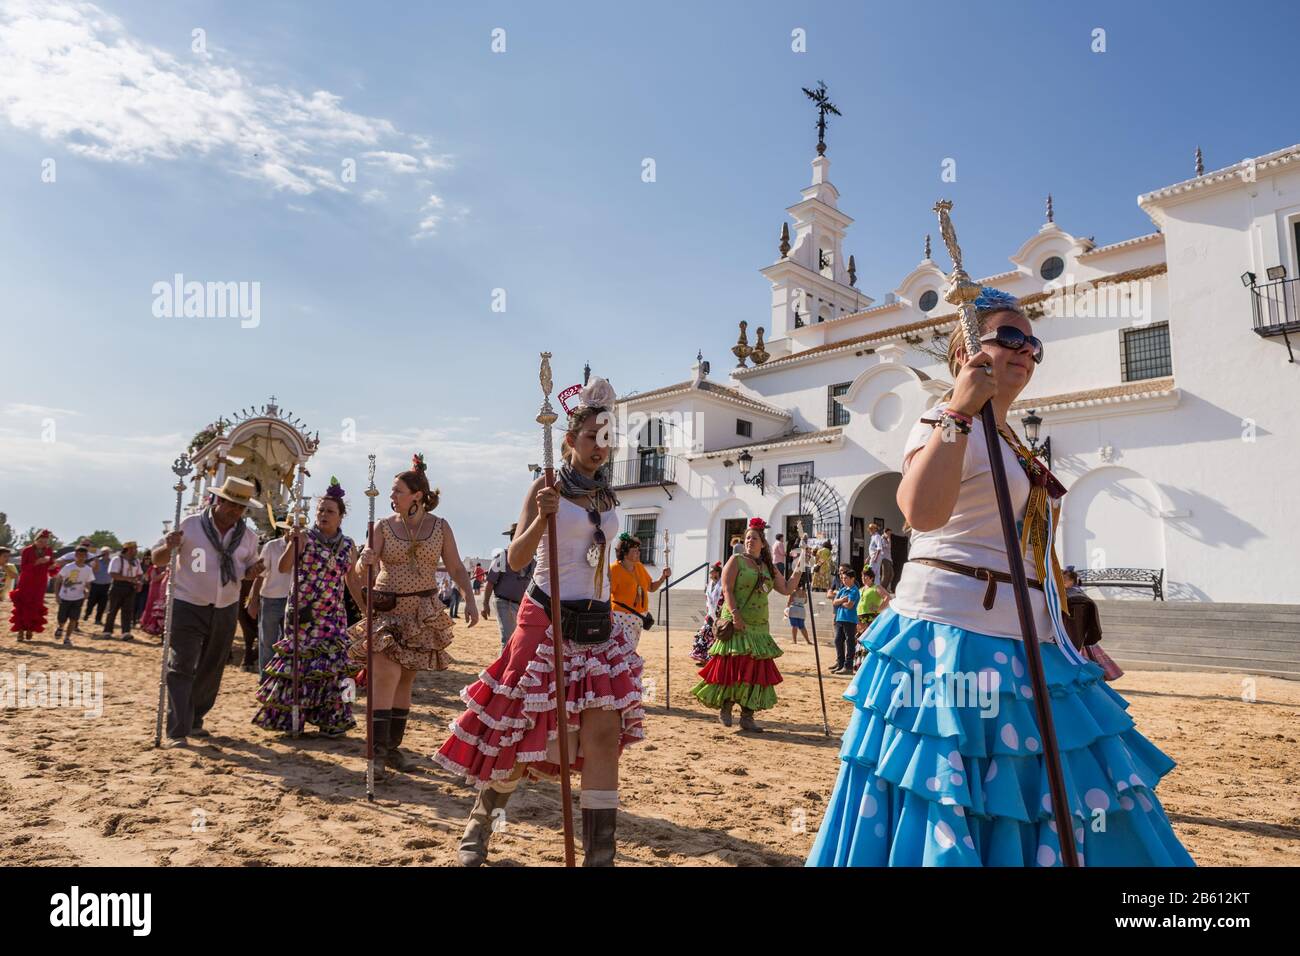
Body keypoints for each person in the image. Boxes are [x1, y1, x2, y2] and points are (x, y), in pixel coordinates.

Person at [807, 286, 1193, 867]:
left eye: (1032, 343)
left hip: (1028, 633)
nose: (1025, 351)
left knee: (1048, 784)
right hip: (955, 634)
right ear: (967, 351)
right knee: (958, 790)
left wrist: (1066, 595)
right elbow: (921, 512)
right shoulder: (941, 421)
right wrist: (959, 410)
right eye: (1008, 338)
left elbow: (1027, 538)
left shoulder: (1014, 441)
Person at [436, 376, 643, 868]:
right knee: (520, 727)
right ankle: (479, 827)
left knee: (602, 737)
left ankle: (600, 854)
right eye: (591, 437)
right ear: (571, 440)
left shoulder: (607, 497)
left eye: (607, 439)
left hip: (597, 626)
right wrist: (540, 518)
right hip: (545, 619)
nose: (600, 447)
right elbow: (514, 557)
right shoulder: (546, 485)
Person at [349, 453, 476, 772]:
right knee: (385, 675)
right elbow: (361, 564)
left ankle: (392, 748)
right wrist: (364, 559)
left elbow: (457, 567)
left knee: (405, 680)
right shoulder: (382, 526)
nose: (391, 496)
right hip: (387, 611)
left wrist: (470, 598)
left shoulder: (440, 527)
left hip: (422, 612)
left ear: (416, 496)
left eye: (397, 491)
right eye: (392, 491)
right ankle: (376, 751)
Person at [152, 476, 265, 747]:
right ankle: (177, 729)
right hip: (187, 602)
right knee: (181, 664)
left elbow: (248, 569)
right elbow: (157, 560)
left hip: (225, 605)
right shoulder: (190, 525)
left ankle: (195, 719)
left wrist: (254, 571)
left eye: (240, 507)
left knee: (212, 667)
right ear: (219, 500)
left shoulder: (248, 537)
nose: (235, 511)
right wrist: (169, 546)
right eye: (231, 504)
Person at [254, 478, 360, 737]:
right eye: (320, 510)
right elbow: (283, 567)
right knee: (300, 664)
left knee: (335, 667)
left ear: (340, 517)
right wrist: (293, 542)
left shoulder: (348, 545)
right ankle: (292, 719)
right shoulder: (305, 537)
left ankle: (332, 719)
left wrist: (364, 607)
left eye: (330, 511)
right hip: (304, 613)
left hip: (333, 615)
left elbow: (352, 580)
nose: (324, 515)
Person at [691, 517, 798, 733]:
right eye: (747, 537)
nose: (749, 541)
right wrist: (736, 615)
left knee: (754, 670)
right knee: (734, 666)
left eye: (754, 538)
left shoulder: (767, 565)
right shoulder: (736, 560)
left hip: (759, 627)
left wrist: (801, 567)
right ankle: (726, 707)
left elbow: (786, 588)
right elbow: (727, 589)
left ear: (763, 543)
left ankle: (748, 716)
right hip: (737, 622)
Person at [246, 517, 293, 677]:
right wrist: (253, 600)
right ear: (285, 529)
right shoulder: (271, 546)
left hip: (293, 601)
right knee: (267, 642)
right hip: (271, 599)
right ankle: (265, 679)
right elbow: (260, 574)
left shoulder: (305, 547)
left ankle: (281, 680)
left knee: (288, 643)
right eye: (290, 528)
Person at [609, 532, 670, 651]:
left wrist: (663, 577)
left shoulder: (639, 567)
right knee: (625, 651)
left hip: (638, 618)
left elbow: (651, 588)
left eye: (638, 549)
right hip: (620, 617)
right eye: (634, 549)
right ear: (625, 553)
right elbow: (606, 595)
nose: (638, 552)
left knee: (631, 650)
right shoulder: (614, 569)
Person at [1063, 569, 1124, 681]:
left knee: (1085, 657)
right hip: (1079, 632)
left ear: (1072, 581)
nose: (1062, 581)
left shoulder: (1074, 594)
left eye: (1065, 579)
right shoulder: (1073, 593)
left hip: (1079, 633)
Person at [482, 524, 535, 646]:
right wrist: (485, 604)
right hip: (503, 602)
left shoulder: (532, 560)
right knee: (507, 638)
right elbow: (490, 582)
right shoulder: (502, 556)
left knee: (517, 639)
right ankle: (505, 665)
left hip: (520, 605)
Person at [9, 530, 59, 641]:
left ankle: (30, 629)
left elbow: (51, 567)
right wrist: (37, 562)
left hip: (40, 582)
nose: (43, 543)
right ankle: (20, 631)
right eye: (40, 541)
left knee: (35, 606)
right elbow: (23, 567)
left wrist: (53, 566)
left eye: (45, 541)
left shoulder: (49, 551)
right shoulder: (27, 550)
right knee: (23, 605)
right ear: (35, 540)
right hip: (27, 581)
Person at [99, 541, 143, 640]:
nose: (136, 551)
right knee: (112, 610)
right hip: (118, 586)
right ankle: (107, 631)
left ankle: (126, 632)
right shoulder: (117, 559)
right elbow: (113, 574)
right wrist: (128, 579)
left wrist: (139, 582)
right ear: (128, 549)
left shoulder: (136, 561)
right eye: (134, 548)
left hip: (131, 587)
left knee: (127, 610)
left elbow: (139, 573)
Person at [54, 546, 94, 645]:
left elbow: (88, 583)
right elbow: (58, 580)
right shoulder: (68, 567)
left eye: (83, 556)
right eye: (79, 555)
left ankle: (67, 638)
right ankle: (60, 627)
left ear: (86, 557)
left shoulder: (88, 569)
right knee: (62, 618)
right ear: (75, 556)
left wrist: (88, 591)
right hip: (65, 596)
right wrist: (57, 596)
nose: (81, 557)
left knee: (73, 619)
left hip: (78, 598)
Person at [852, 567, 889, 671]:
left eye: (866, 576)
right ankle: (859, 665)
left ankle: (868, 665)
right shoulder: (860, 589)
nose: (863, 578)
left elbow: (887, 597)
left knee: (869, 640)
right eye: (862, 576)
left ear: (871, 578)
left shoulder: (876, 587)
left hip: (871, 618)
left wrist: (878, 608)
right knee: (859, 640)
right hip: (860, 618)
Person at [829, 565, 860, 675]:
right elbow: (834, 602)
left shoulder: (854, 590)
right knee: (838, 640)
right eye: (842, 578)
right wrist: (842, 600)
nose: (843, 580)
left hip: (850, 619)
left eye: (846, 578)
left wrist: (840, 602)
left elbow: (850, 605)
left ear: (852, 579)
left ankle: (848, 666)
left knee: (850, 642)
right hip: (840, 618)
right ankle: (840, 664)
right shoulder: (842, 590)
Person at [690, 562, 724, 664]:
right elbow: (708, 600)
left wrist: (720, 612)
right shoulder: (709, 585)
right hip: (710, 614)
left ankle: (713, 659)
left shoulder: (722, 585)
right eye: (710, 572)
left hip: (719, 614)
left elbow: (724, 600)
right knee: (705, 634)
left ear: (717, 573)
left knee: (715, 637)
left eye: (712, 571)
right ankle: (703, 658)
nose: (710, 573)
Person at [139, 554, 170, 637]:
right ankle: (150, 625)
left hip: (163, 590)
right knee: (152, 606)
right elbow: (154, 578)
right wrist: (165, 573)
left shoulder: (168, 566)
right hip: (155, 590)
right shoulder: (154, 567)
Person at [82, 546, 113, 626]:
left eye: (107, 552)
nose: (105, 554)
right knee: (91, 602)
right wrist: (96, 563)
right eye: (104, 552)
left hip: (106, 585)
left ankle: (98, 619)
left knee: (102, 604)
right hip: (95, 585)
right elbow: (92, 571)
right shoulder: (96, 561)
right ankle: (87, 614)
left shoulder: (112, 562)